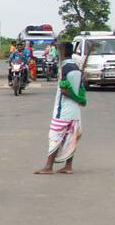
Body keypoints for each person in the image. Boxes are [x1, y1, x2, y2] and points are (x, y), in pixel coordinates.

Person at [35, 41, 86, 175]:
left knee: (55, 137)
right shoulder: (76, 67)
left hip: (63, 110)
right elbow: (81, 87)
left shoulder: (64, 68)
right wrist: (79, 100)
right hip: (75, 111)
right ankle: (68, 166)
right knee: (71, 137)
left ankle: (48, 166)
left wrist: (74, 97)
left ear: (62, 52)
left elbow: (64, 90)